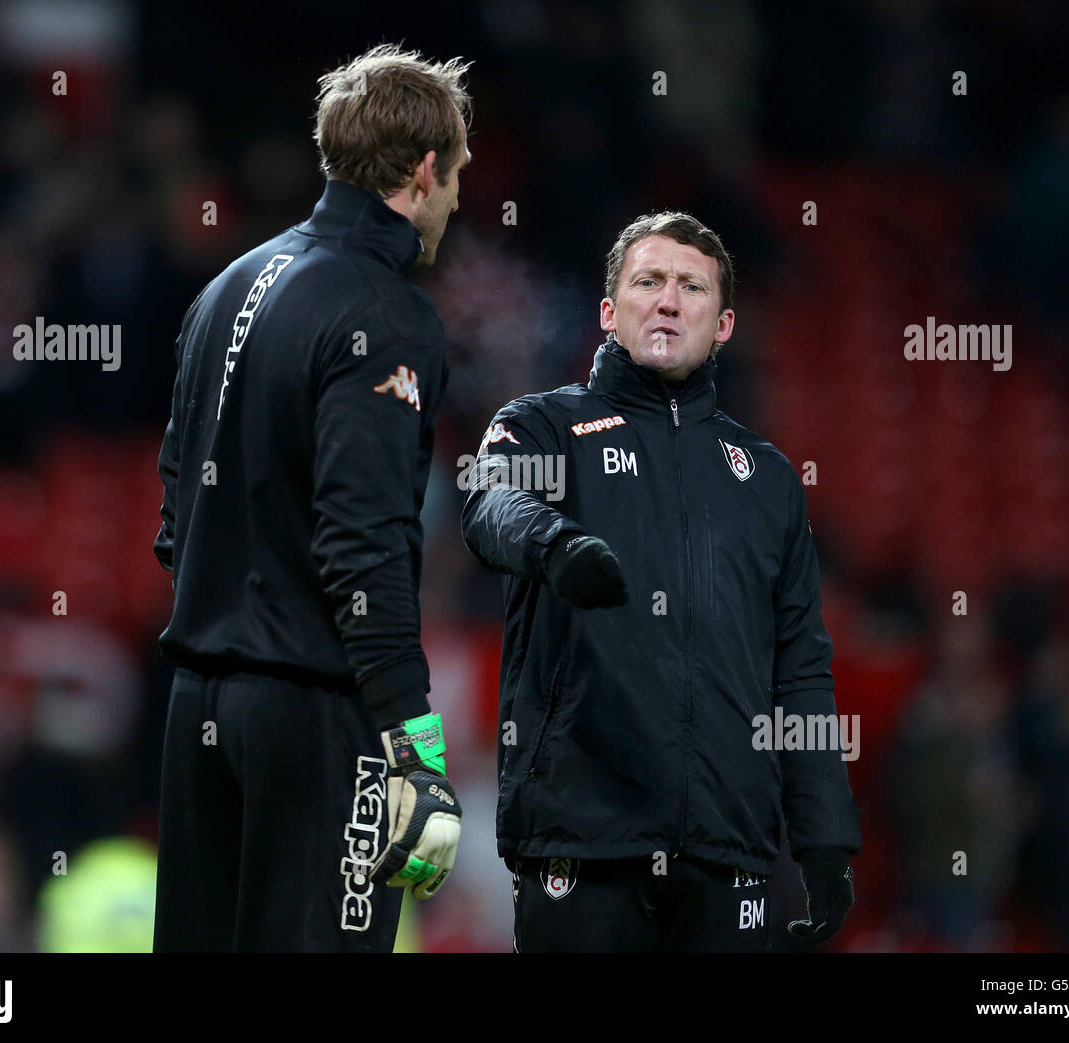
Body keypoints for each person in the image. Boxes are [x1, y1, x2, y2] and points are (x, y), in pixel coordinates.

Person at [461, 211, 861, 952]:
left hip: (730, 850)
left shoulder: (768, 479)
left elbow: (801, 668)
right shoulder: (543, 426)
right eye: (649, 282)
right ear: (611, 312)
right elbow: (490, 507)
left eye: (692, 287)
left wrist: (825, 837)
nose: (670, 300)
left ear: (725, 323)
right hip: (582, 838)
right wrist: (557, 545)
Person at [151, 44, 471, 952]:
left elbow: (176, 513)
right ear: (422, 169)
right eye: (456, 175)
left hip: (198, 709)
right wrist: (413, 737)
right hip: (316, 720)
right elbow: (361, 537)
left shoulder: (225, 287)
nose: (457, 197)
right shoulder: (386, 311)